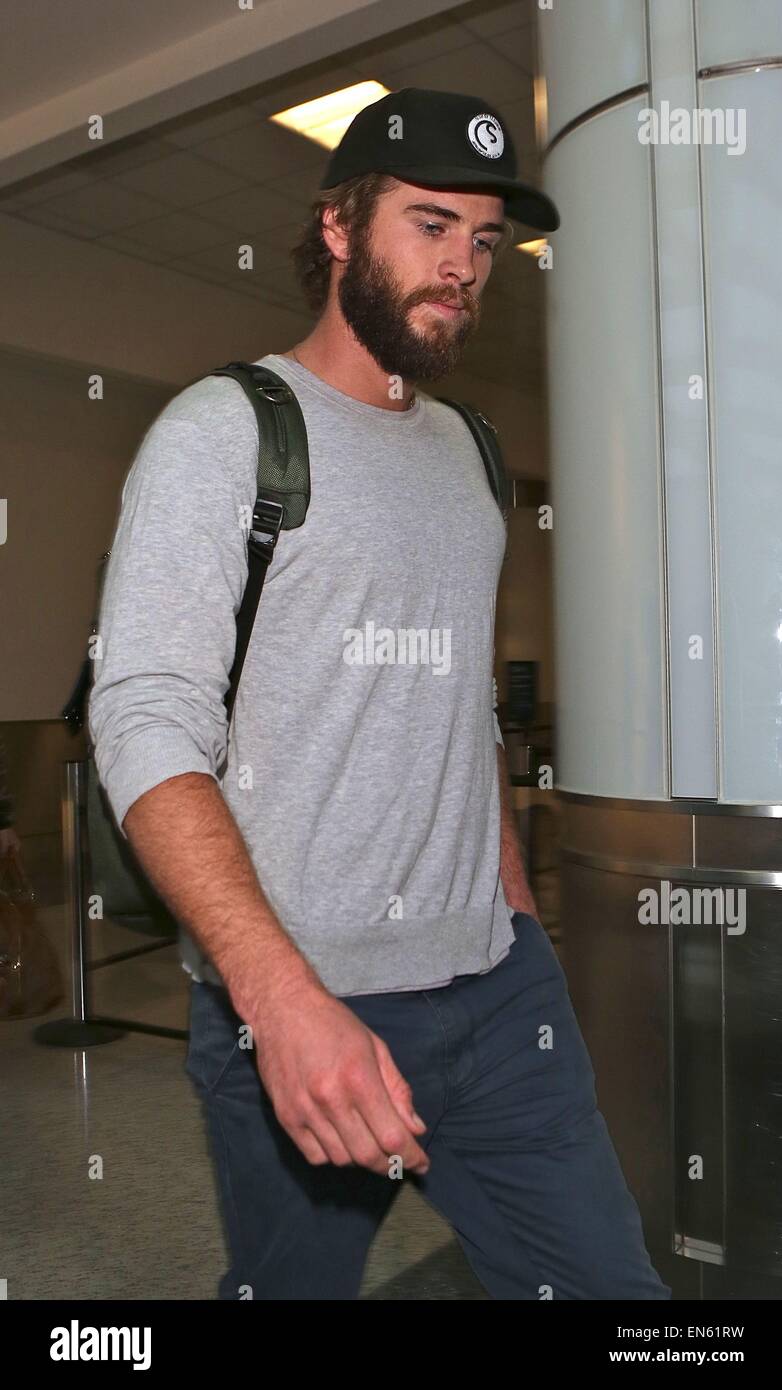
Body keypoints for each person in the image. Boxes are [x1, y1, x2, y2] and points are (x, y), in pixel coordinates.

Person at [88, 88, 671, 1300]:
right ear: (340, 228)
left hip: (498, 988)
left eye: (484, 241)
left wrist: (512, 908)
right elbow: (143, 717)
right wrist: (279, 996)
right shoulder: (222, 433)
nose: (461, 266)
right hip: (295, 997)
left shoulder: (469, 452)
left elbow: (457, 712)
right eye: (428, 224)